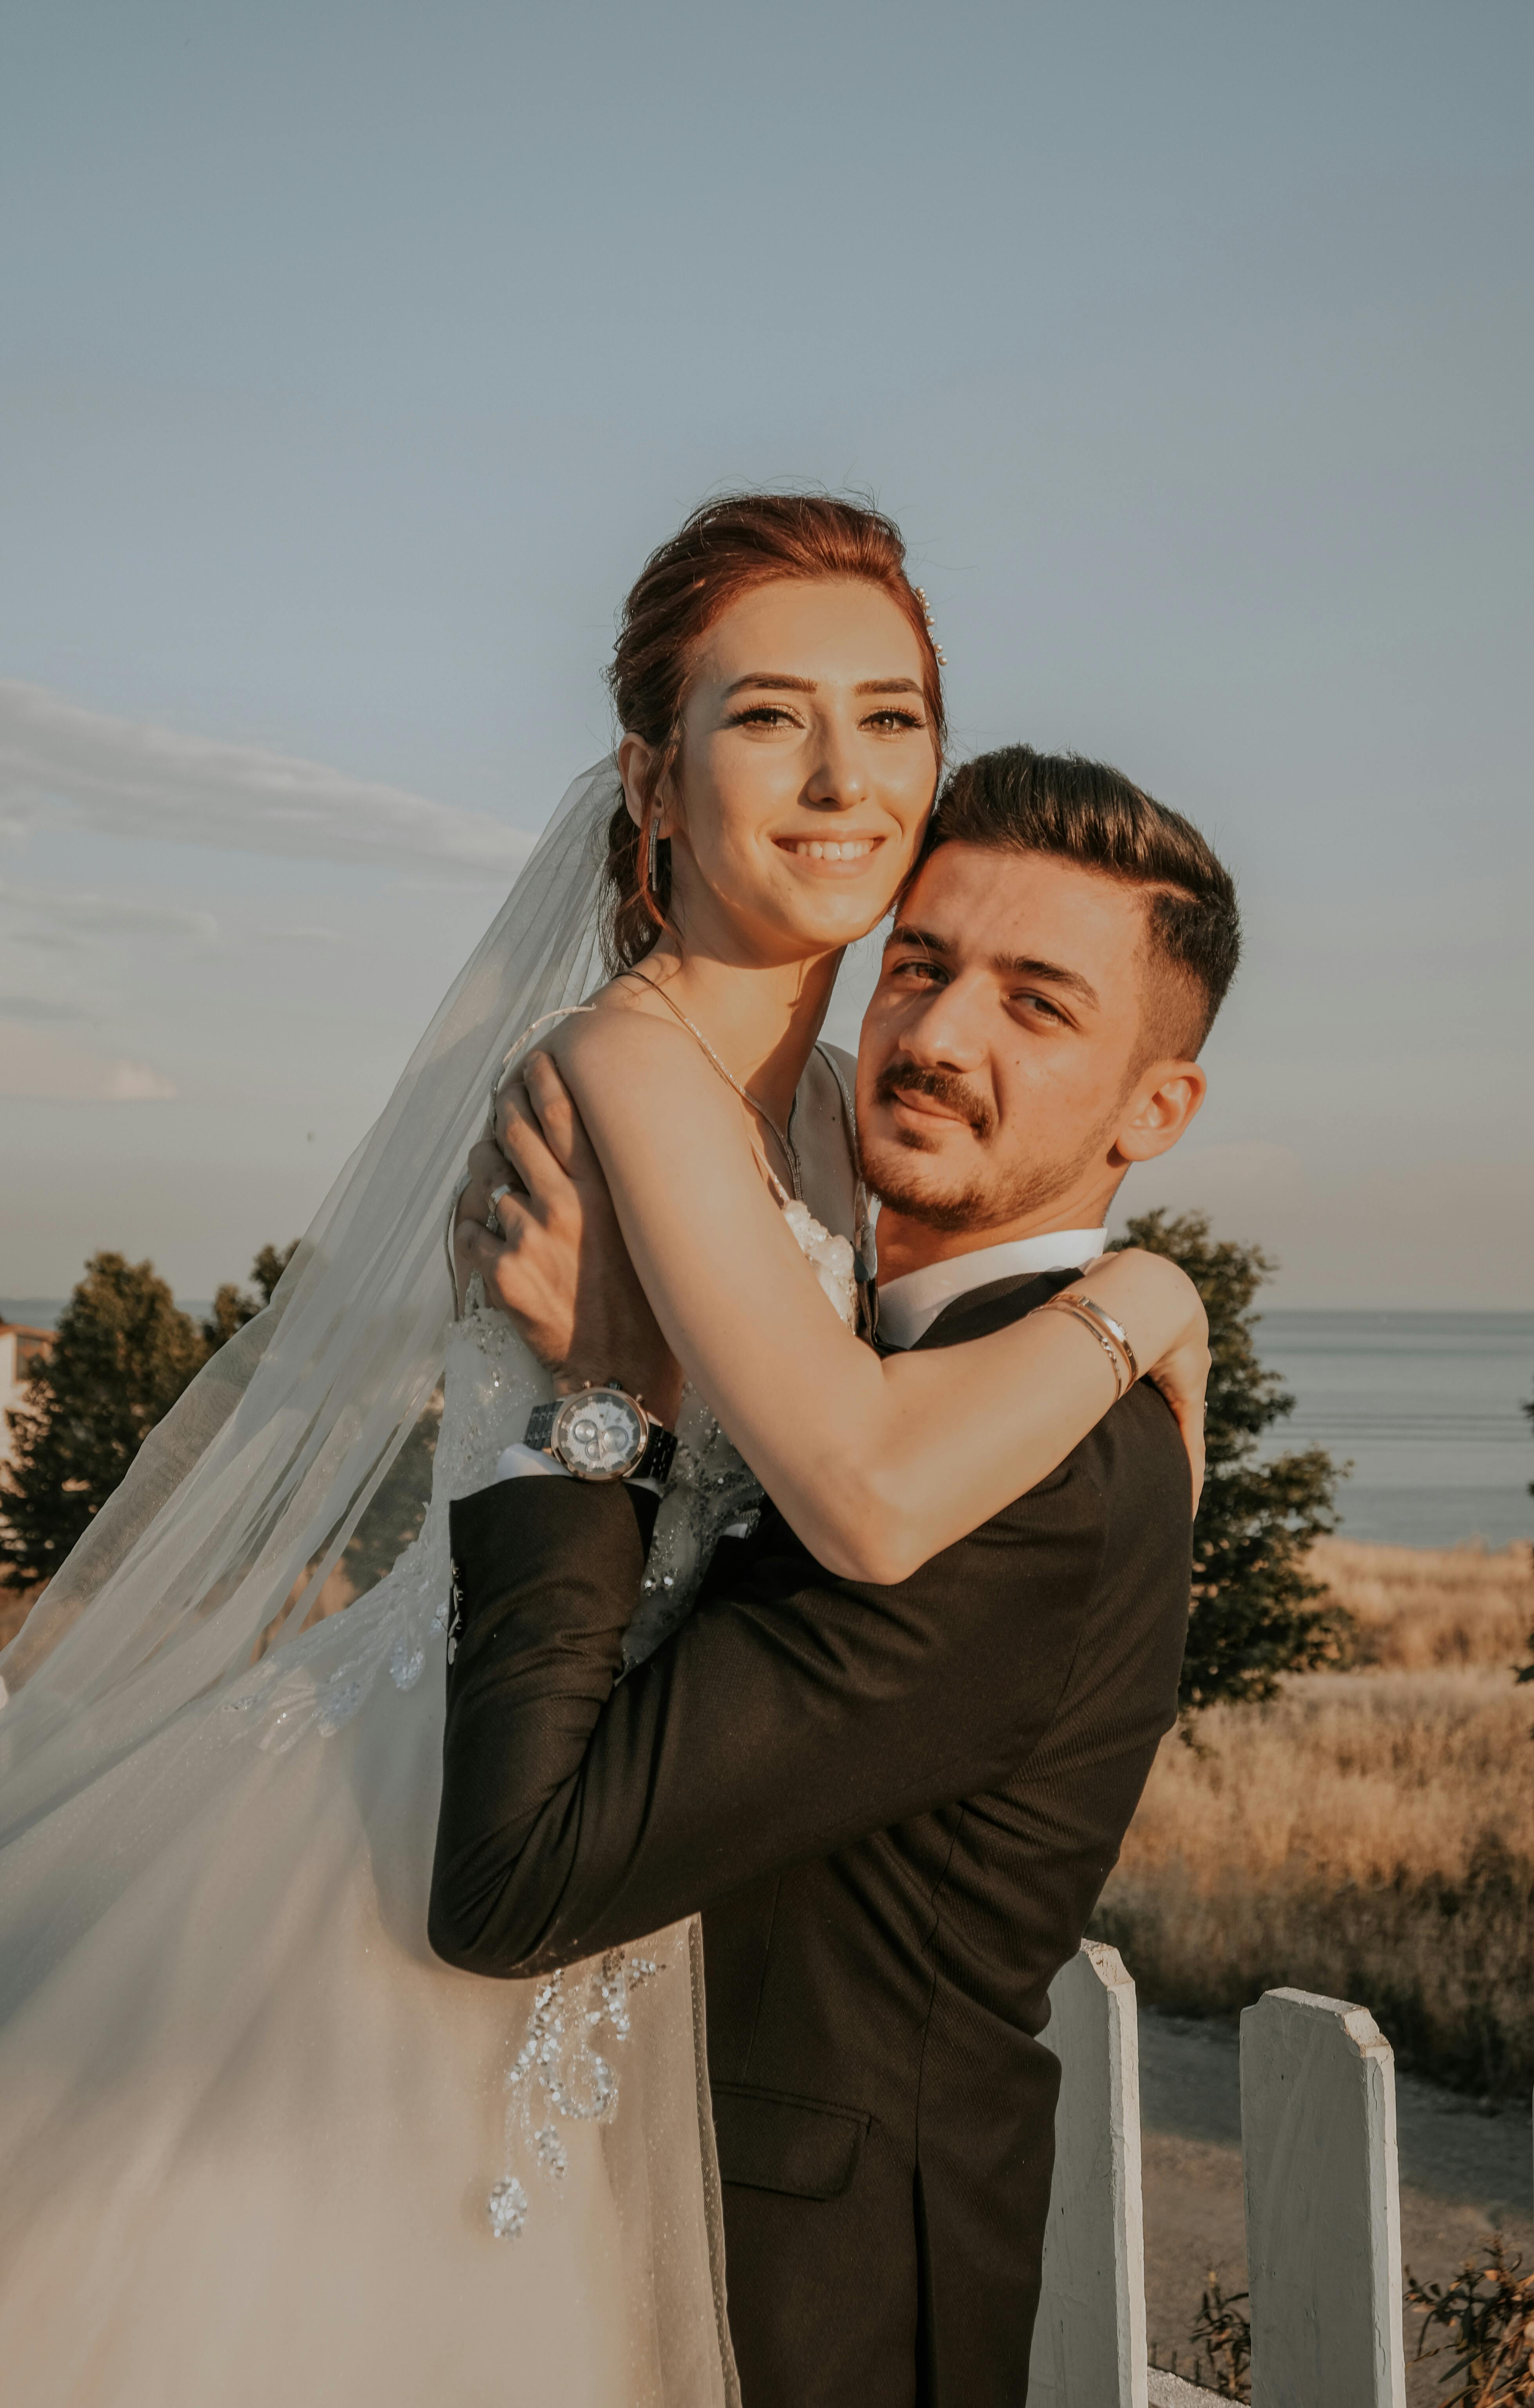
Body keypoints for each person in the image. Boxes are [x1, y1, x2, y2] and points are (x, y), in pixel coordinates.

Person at [0, 494, 1206, 2407]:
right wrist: (1145, 1309)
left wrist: (1137, 1314)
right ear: (651, 776)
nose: (842, 778)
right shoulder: (624, 1066)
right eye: (765, 719)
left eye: (890, 718)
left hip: (635, 1859)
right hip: (442, 1825)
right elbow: (867, 1484)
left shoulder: (830, 1107)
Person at [433, 742, 1241, 2406]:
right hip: (599, 2223)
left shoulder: (1032, 1485)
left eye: (1037, 1005)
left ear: (1152, 1108)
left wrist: (602, 1400)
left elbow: (520, 1878)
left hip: (809, 2305)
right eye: (922, 967)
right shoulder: (849, 1379)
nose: (936, 1036)